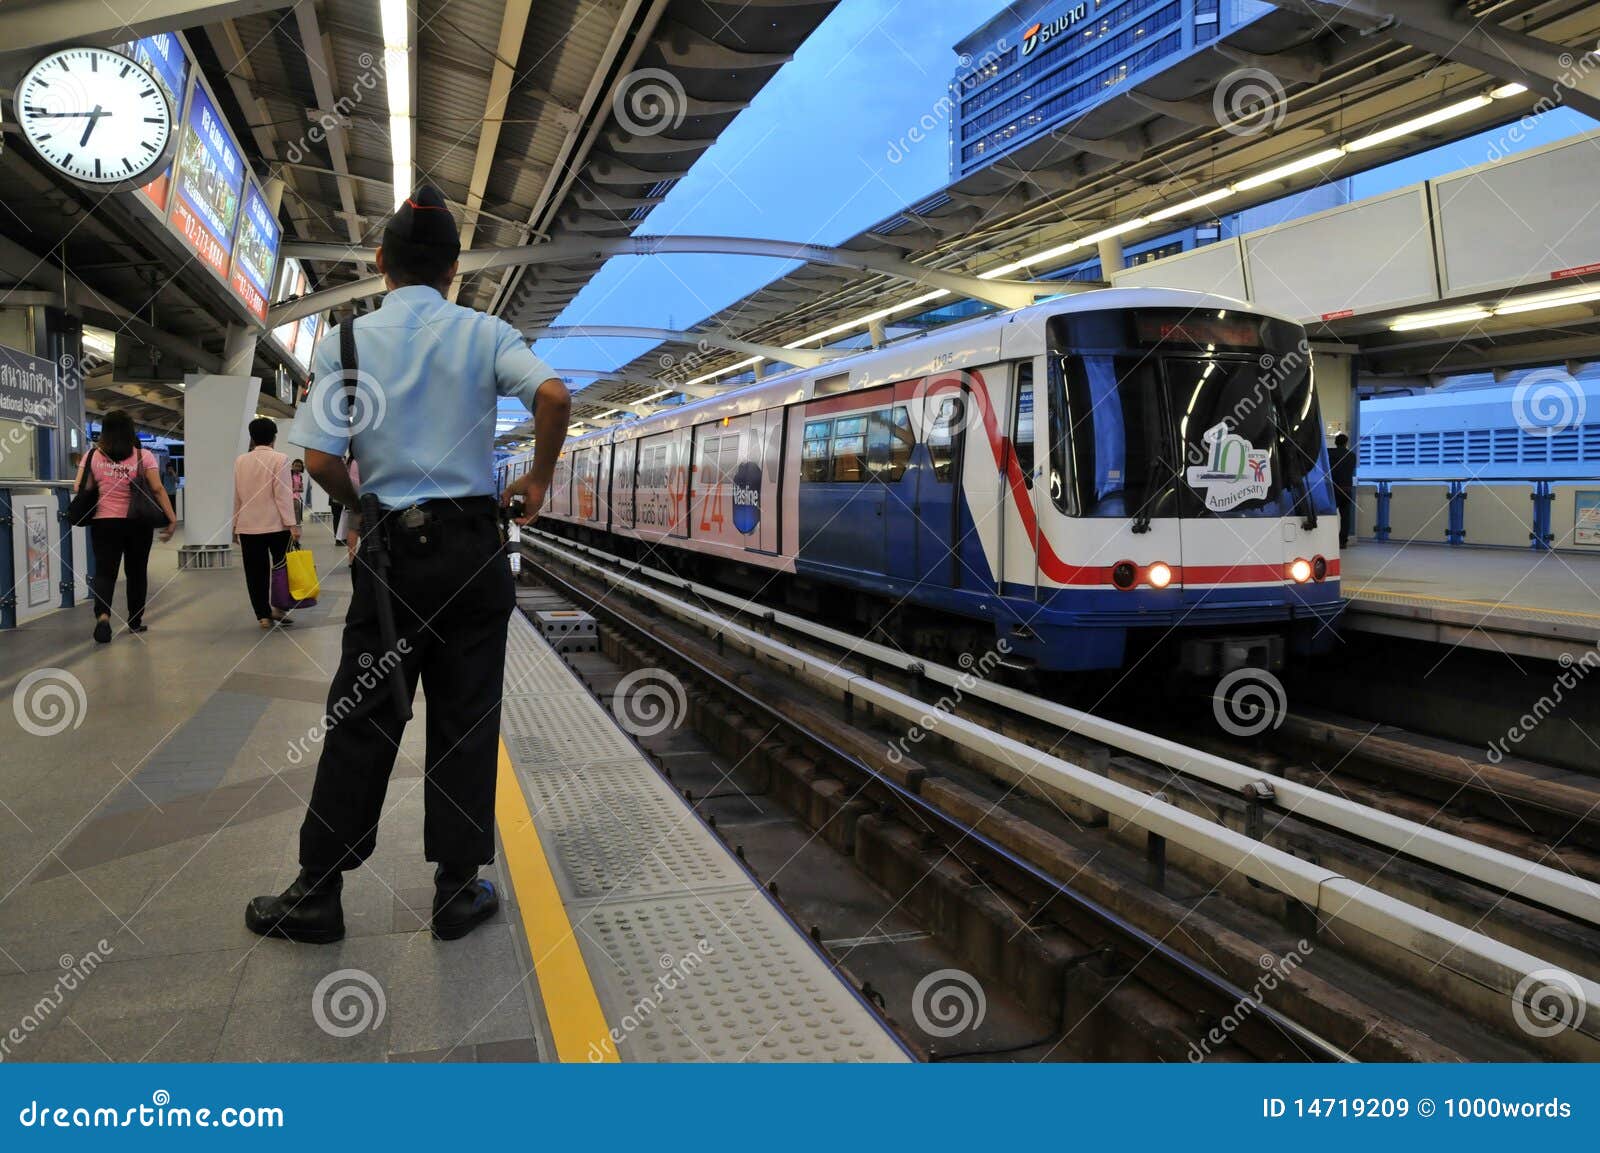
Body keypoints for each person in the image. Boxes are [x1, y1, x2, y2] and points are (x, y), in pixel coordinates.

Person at [246, 185, 570, 945]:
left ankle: (318, 894)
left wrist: (358, 507)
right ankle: (457, 891)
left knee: (362, 717)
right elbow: (554, 397)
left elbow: (322, 456)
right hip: (474, 550)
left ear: (381, 262)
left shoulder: (347, 343)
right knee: (466, 720)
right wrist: (539, 481)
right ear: (455, 271)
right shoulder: (486, 332)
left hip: (393, 559)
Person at [72, 410, 178, 642]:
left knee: (105, 572)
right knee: (137, 572)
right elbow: (158, 490)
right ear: (130, 431)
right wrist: (171, 519)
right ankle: (135, 621)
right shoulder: (143, 455)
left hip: (104, 523)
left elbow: (79, 487)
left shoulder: (92, 456)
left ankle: (102, 616)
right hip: (138, 523)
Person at [233, 417, 300, 629]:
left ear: (252, 438)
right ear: (274, 437)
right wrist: (292, 524)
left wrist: (235, 524)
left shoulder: (240, 461)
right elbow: (282, 494)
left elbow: (237, 495)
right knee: (282, 568)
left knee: (254, 573)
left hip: (248, 526)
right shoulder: (281, 459)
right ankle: (279, 608)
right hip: (276, 526)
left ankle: (263, 616)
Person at [1329, 431, 1357, 549]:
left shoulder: (1330, 454)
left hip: (1334, 489)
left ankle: (1327, 539)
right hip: (1347, 489)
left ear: (1335, 442)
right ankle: (1343, 541)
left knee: (1328, 515)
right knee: (1345, 517)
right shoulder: (1352, 456)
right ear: (1346, 443)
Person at [289, 458, 306, 525]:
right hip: (290, 498)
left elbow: (302, 489)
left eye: (299, 466)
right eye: (296, 466)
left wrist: (295, 489)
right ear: (292, 466)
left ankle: (296, 528)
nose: (297, 468)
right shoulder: (289, 475)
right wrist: (296, 489)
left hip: (297, 497)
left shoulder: (300, 476)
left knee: (297, 514)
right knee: (294, 515)